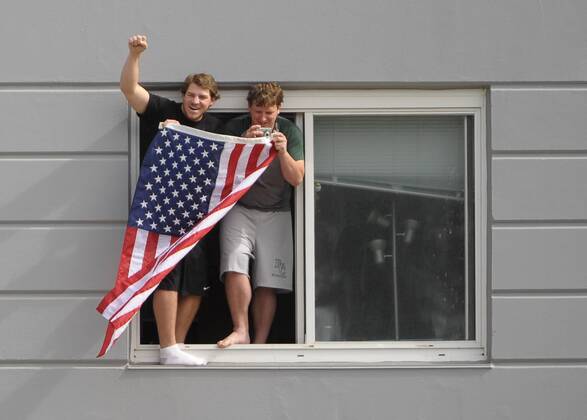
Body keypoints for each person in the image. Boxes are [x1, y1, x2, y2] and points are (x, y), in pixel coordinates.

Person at [120, 34, 223, 365]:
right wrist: (135, 55)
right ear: (183, 96)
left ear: (212, 101)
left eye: (202, 97)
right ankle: (167, 345)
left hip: (196, 215)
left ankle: (174, 347)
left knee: (195, 282)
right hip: (161, 209)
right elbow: (129, 90)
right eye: (191, 95)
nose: (195, 101)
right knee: (166, 274)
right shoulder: (163, 110)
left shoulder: (217, 126)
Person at [217, 82, 304, 348]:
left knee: (268, 279)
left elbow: (297, 178)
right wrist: (245, 143)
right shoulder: (235, 127)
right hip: (240, 208)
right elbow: (221, 174)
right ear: (249, 109)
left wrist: (283, 151)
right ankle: (241, 330)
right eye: (257, 112)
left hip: (277, 210)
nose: (263, 119)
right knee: (234, 264)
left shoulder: (290, 130)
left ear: (279, 109)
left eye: (268, 113)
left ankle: (260, 342)